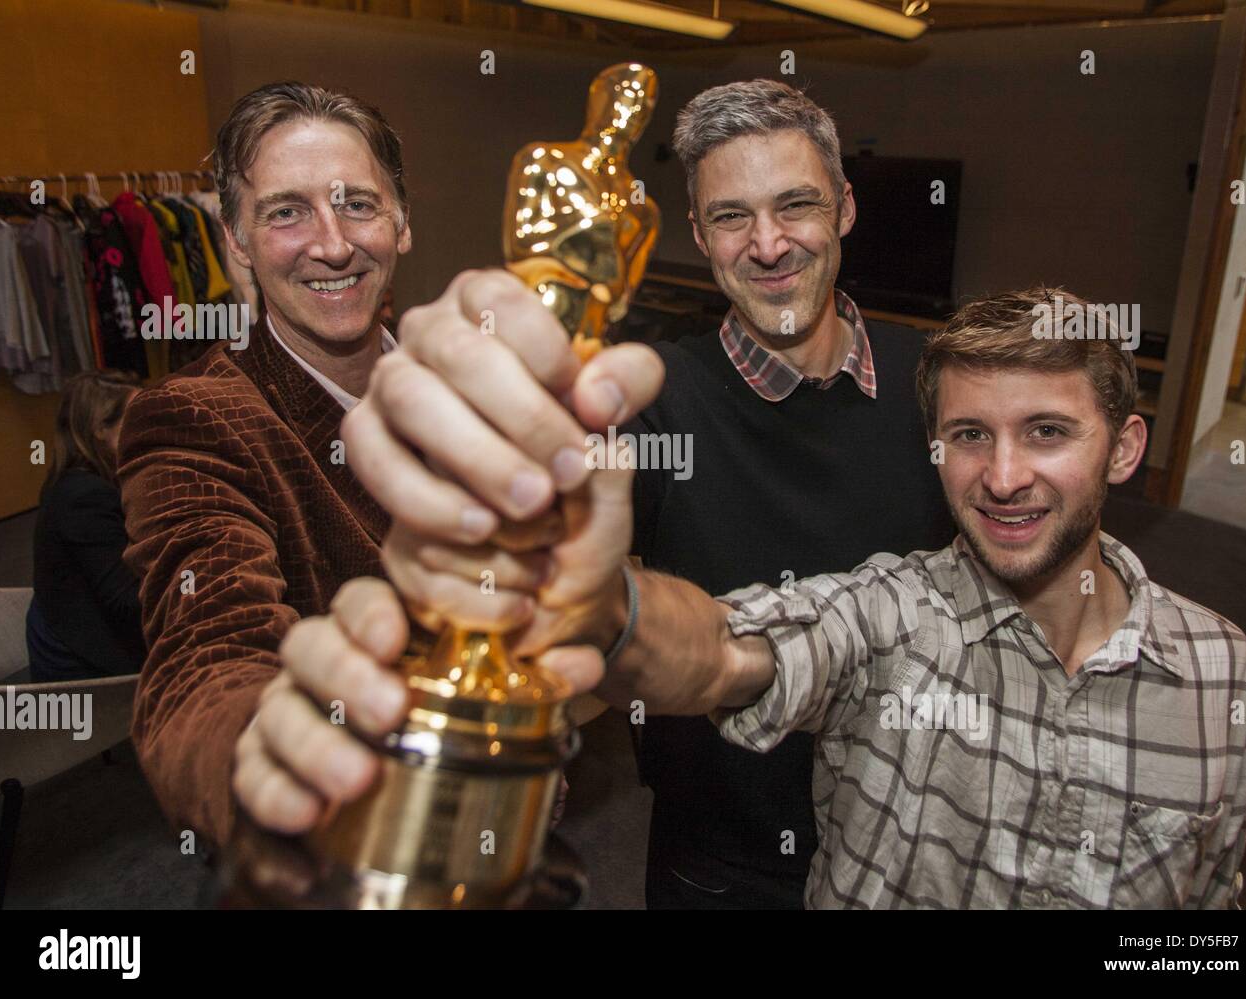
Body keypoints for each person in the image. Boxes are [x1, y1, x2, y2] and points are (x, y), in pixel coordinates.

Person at [292, 286, 1246, 908]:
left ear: (1125, 449)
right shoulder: (895, 614)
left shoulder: (1223, 673)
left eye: (1046, 432)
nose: (1001, 476)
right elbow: (720, 650)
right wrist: (594, 600)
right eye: (969, 436)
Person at [234, 79, 954, 909]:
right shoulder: (642, 398)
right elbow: (543, 571)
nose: (768, 243)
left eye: (796, 205)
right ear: (697, 234)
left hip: (919, 831)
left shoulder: (938, 383)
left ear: (845, 209)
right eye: (730, 216)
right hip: (716, 856)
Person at [116, 80, 430, 847]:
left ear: (402, 221)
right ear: (236, 243)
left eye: (358, 203)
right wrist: (281, 763)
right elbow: (206, 657)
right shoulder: (195, 420)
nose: (331, 243)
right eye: (286, 211)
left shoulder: (462, 384)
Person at [28, 370, 145, 683]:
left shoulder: (69, 483)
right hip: (89, 674)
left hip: (75, 638)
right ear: (100, 429)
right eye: (135, 419)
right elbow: (127, 601)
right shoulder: (84, 496)